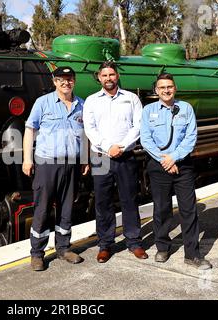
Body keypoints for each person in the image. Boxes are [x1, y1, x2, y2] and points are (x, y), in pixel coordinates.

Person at [140, 73, 212, 270]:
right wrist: (165, 159)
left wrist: (174, 157)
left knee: (188, 209)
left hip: (183, 164)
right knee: (161, 208)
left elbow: (191, 137)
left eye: (169, 86)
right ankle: (162, 247)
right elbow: (145, 139)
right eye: (162, 87)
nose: (166, 90)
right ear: (156, 90)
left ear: (175, 88)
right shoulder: (148, 110)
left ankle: (193, 254)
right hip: (158, 163)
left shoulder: (186, 108)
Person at [23, 66, 89, 271]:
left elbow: (86, 134)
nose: (65, 83)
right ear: (54, 81)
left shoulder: (82, 105)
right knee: (42, 209)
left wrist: (85, 159)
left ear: (74, 81)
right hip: (47, 163)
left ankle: (63, 248)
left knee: (67, 208)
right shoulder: (43, 103)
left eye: (69, 79)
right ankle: (37, 253)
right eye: (61, 79)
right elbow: (29, 130)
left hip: (72, 164)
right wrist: (27, 159)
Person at [83, 61, 147, 263]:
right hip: (101, 157)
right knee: (103, 202)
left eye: (112, 74)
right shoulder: (91, 101)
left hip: (126, 156)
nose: (108, 78)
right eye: (104, 75)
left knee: (129, 199)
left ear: (117, 76)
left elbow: (138, 126)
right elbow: (89, 129)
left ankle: (134, 242)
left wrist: (120, 146)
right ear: (99, 78)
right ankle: (105, 245)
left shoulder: (131, 98)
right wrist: (107, 147)